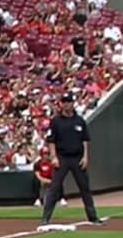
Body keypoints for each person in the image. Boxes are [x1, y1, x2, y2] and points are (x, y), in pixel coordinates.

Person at [39, 93, 106, 229]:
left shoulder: (79, 120)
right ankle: (45, 218)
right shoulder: (56, 121)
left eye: (69, 102)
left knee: (84, 188)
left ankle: (92, 217)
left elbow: (85, 140)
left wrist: (85, 157)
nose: (67, 104)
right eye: (64, 102)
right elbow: (51, 140)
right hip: (62, 157)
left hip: (77, 158)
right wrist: (53, 157)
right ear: (61, 104)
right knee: (54, 188)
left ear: (72, 103)